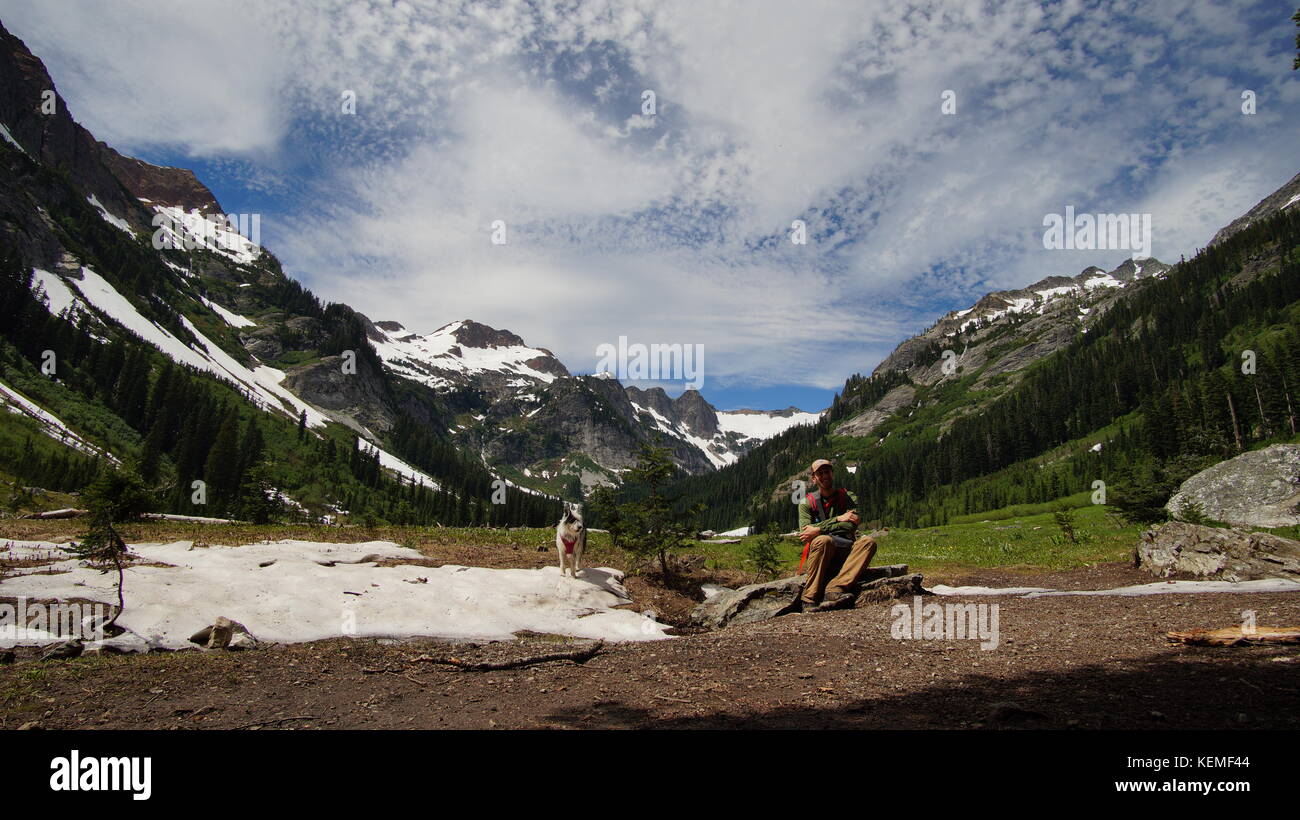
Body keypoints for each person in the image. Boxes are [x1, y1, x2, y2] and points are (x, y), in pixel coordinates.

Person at [797, 458, 878, 611]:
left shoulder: (847, 496)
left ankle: (835, 588)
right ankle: (809, 598)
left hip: (845, 548)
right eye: (820, 473)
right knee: (824, 541)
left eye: (827, 471)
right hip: (821, 552)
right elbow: (805, 533)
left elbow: (850, 525)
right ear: (814, 479)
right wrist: (839, 519)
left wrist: (818, 529)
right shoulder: (806, 503)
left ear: (832, 474)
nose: (824, 475)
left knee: (868, 543)